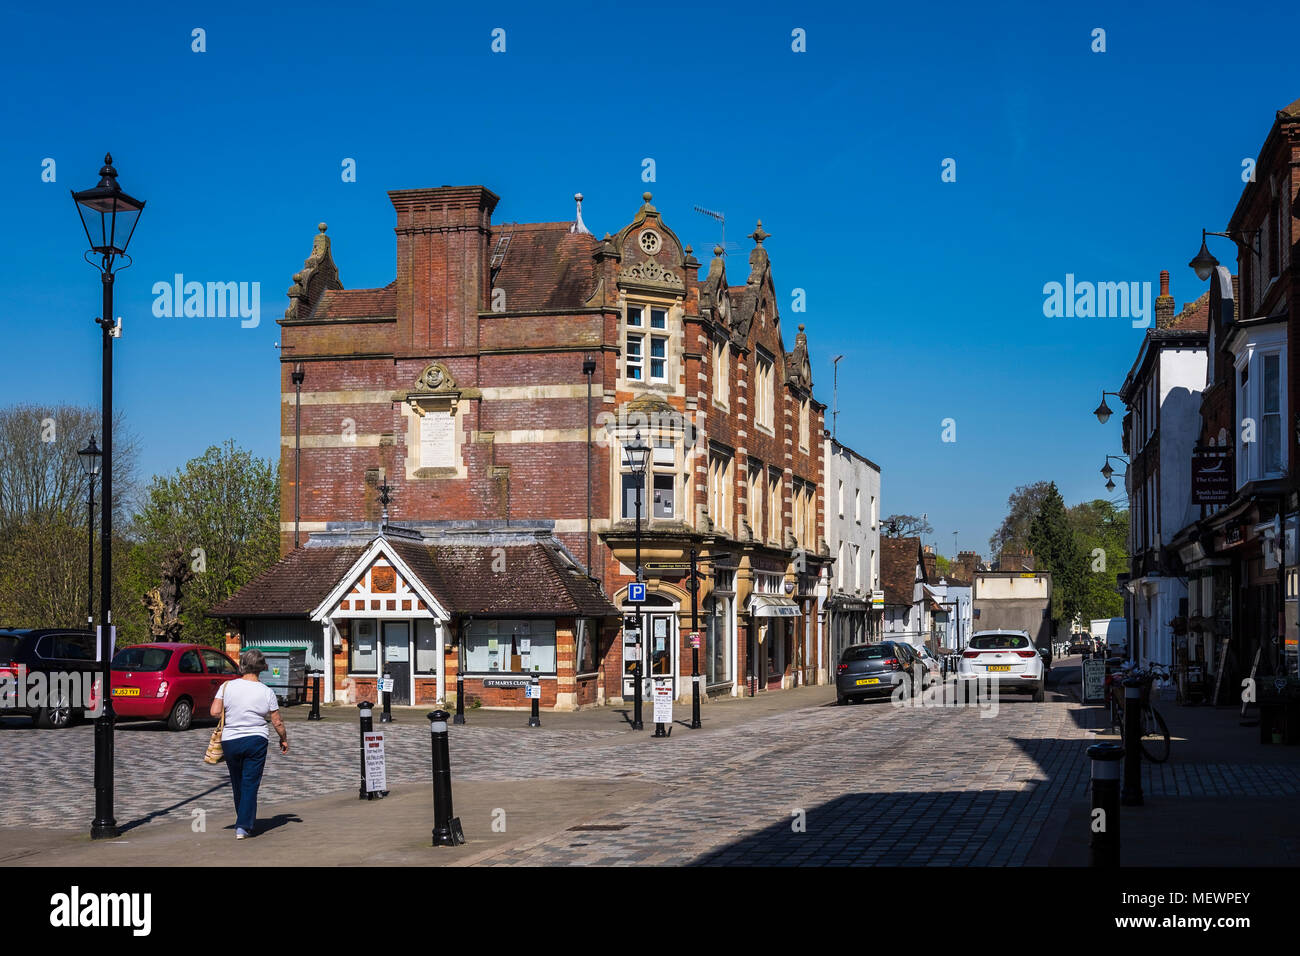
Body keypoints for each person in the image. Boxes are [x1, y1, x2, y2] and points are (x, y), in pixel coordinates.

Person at [210, 649, 288, 839]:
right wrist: (284, 738)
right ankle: (243, 825)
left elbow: (214, 711)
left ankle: (243, 822)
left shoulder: (227, 686)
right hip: (256, 739)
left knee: (237, 782)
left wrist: (233, 714)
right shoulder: (267, 691)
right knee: (250, 783)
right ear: (262, 667)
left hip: (230, 740)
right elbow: (277, 721)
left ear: (242, 665)